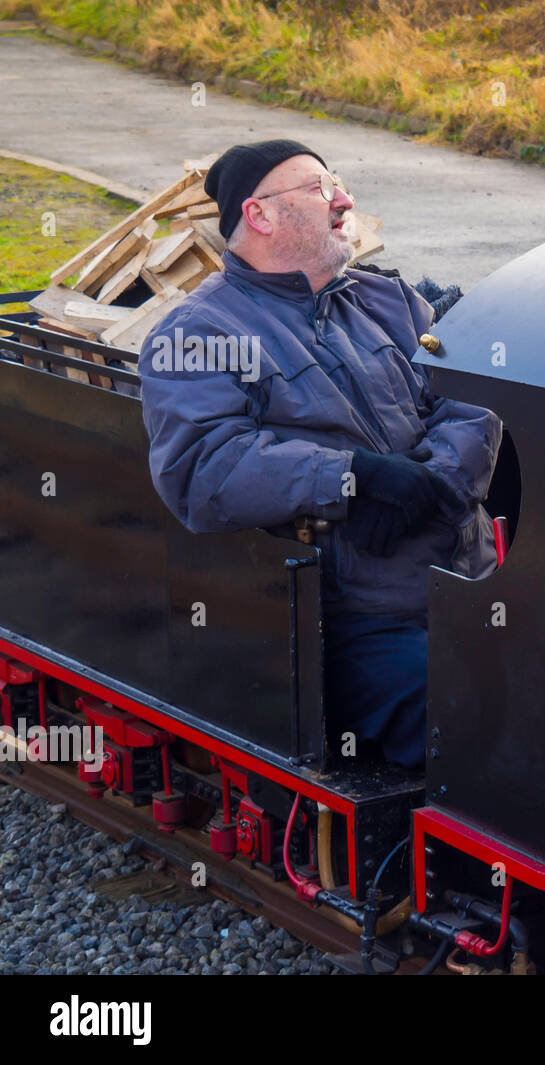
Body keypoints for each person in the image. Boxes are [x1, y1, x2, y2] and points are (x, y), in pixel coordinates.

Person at [137, 139, 501, 770]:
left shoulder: (388, 300)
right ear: (259, 216)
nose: (345, 199)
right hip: (355, 624)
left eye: (338, 182)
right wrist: (352, 477)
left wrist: (434, 483)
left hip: (474, 583)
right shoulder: (200, 332)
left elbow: (475, 398)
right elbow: (202, 469)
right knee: (481, 719)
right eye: (318, 188)